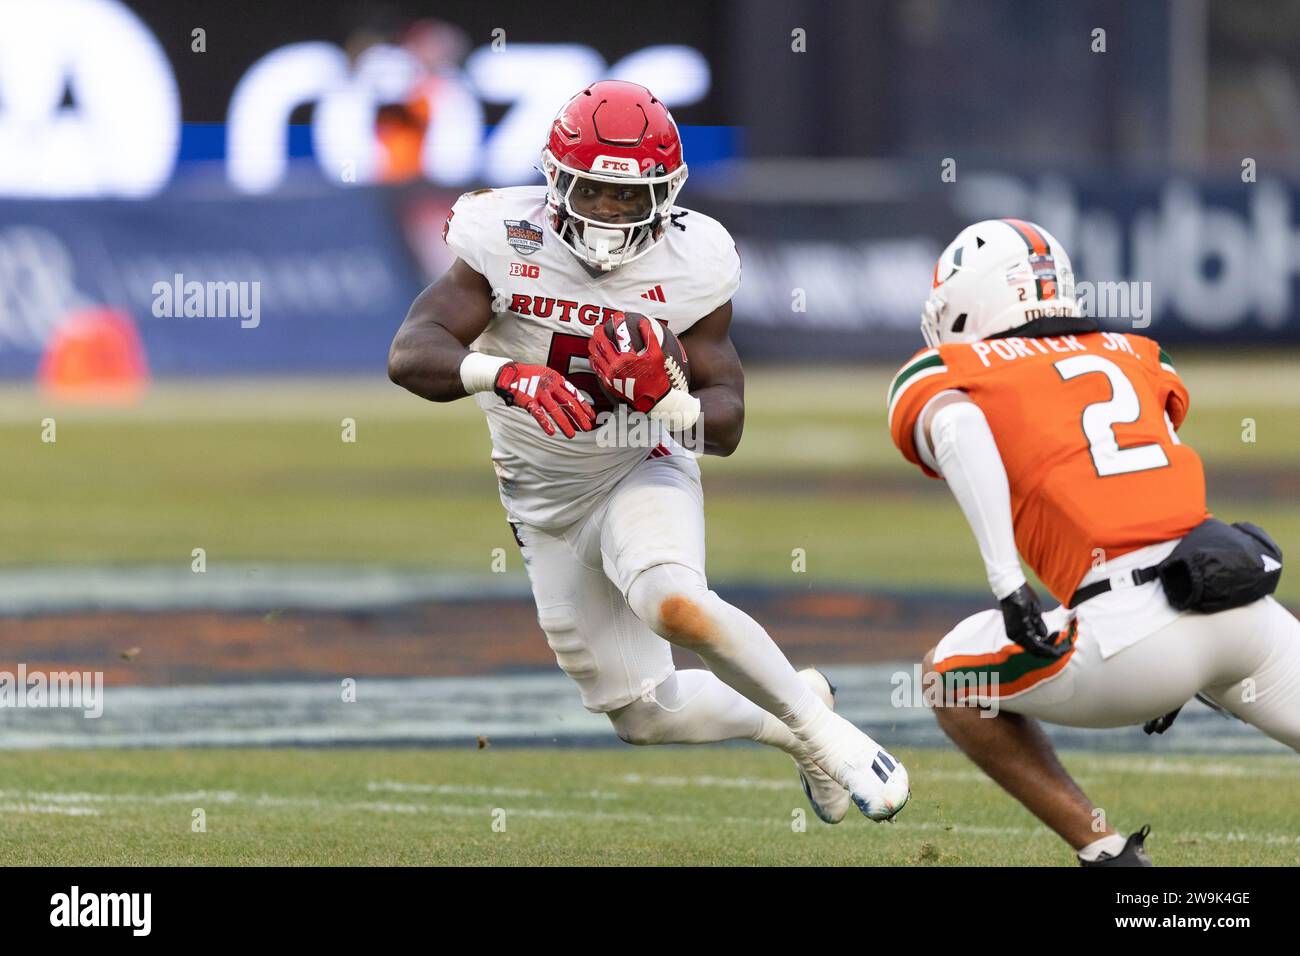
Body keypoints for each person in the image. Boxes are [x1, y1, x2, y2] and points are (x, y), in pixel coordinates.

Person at [389, 80, 909, 823]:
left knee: (670, 600)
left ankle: (829, 736)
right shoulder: (506, 235)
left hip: (639, 463)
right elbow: (411, 352)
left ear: (665, 196)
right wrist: (503, 374)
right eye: (595, 192)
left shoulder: (694, 262)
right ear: (558, 182)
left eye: (629, 199)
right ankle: (799, 720)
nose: (608, 213)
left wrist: (665, 401)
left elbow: (726, 424)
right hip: (542, 503)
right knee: (643, 715)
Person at [889, 217, 1300, 864]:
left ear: (976, 299)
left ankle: (1106, 853)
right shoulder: (1139, 352)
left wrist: (1008, 585)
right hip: (1230, 597)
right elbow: (1162, 464)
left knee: (945, 680)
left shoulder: (951, 367)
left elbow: (960, 426)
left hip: (1133, 635)